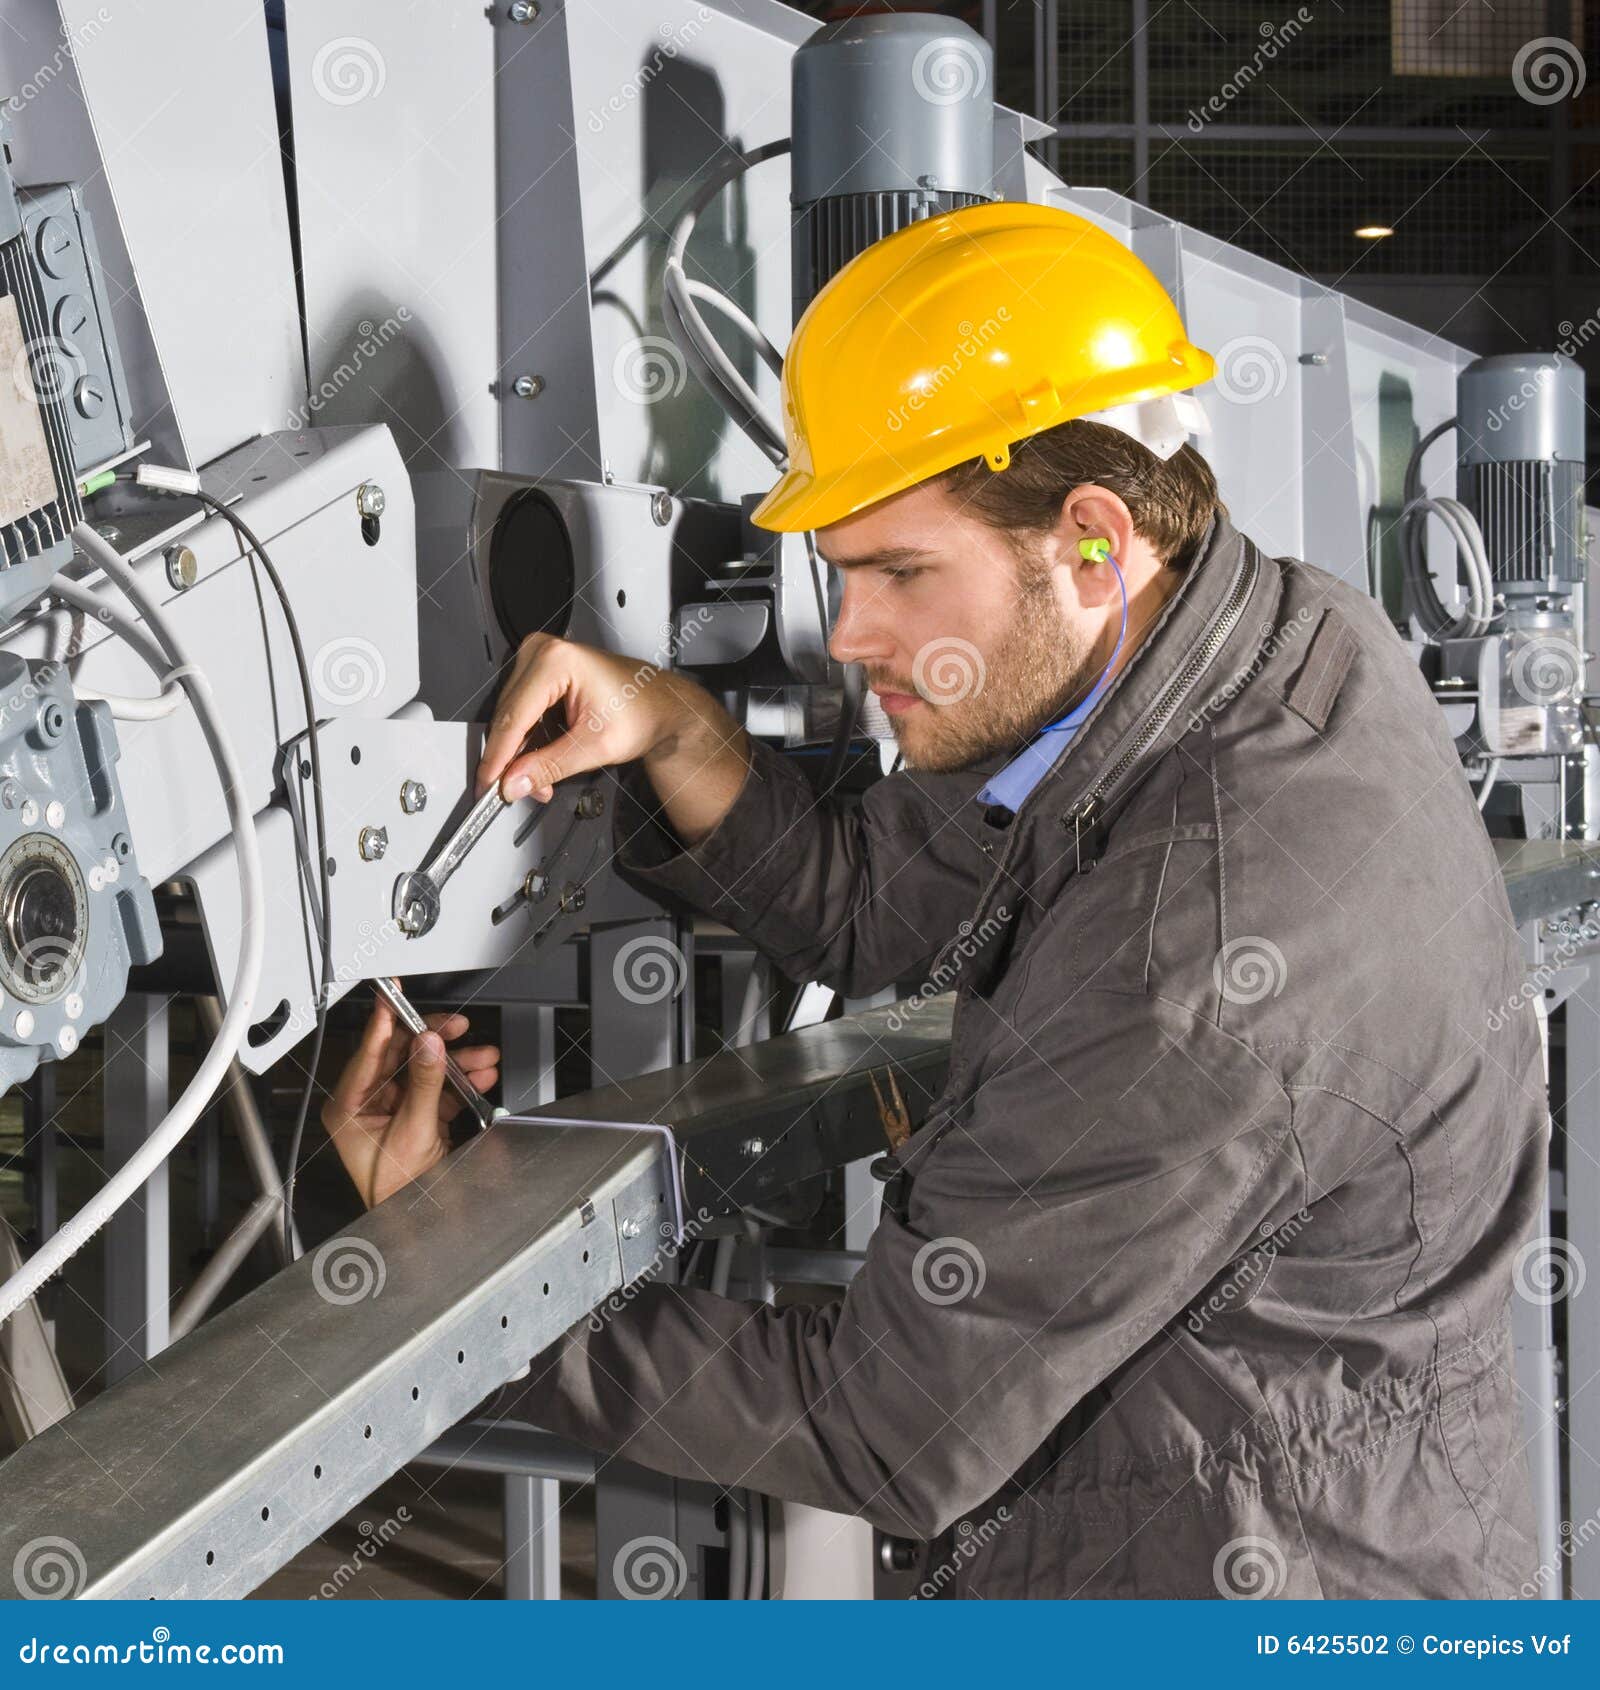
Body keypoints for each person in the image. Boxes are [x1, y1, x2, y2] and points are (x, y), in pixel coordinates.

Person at [322, 203, 1547, 1598]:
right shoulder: (1256, 642)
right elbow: (880, 902)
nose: (852, 636)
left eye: (901, 572)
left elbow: (889, 1425)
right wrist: (670, 722)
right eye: (842, 572)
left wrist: (463, 1270)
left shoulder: (1198, 956)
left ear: (1092, 540)